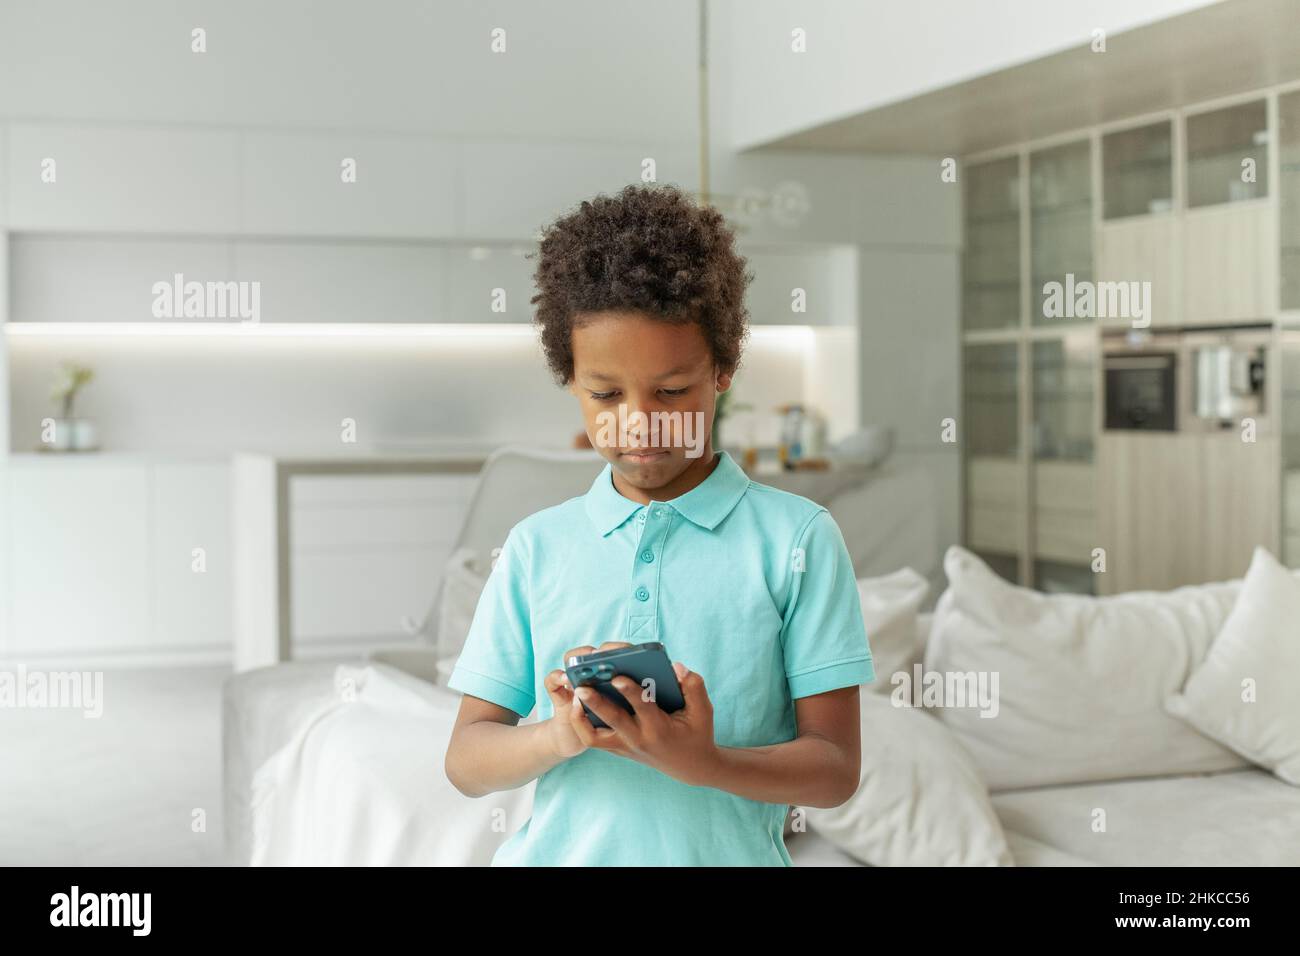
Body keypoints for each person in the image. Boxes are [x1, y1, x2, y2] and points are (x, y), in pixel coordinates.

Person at [444, 183, 873, 865]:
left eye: (672, 391)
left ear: (723, 370)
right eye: (606, 393)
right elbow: (467, 760)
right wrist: (558, 736)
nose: (639, 421)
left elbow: (834, 768)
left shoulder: (797, 541)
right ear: (570, 378)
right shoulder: (536, 546)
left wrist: (701, 761)